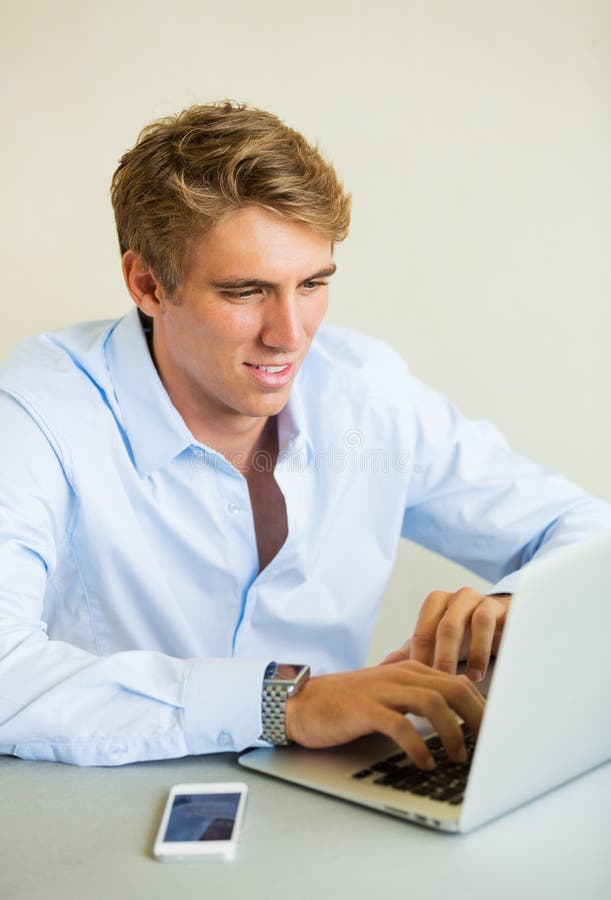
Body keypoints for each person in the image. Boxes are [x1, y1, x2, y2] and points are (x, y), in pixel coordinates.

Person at [0, 102, 609, 768]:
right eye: (244, 291)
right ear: (148, 283)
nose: (290, 335)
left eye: (312, 283)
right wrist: (282, 704)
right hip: (102, 817)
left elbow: (586, 530)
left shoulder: (365, 391)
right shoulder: (39, 410)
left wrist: (509, 603)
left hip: (322, 807)